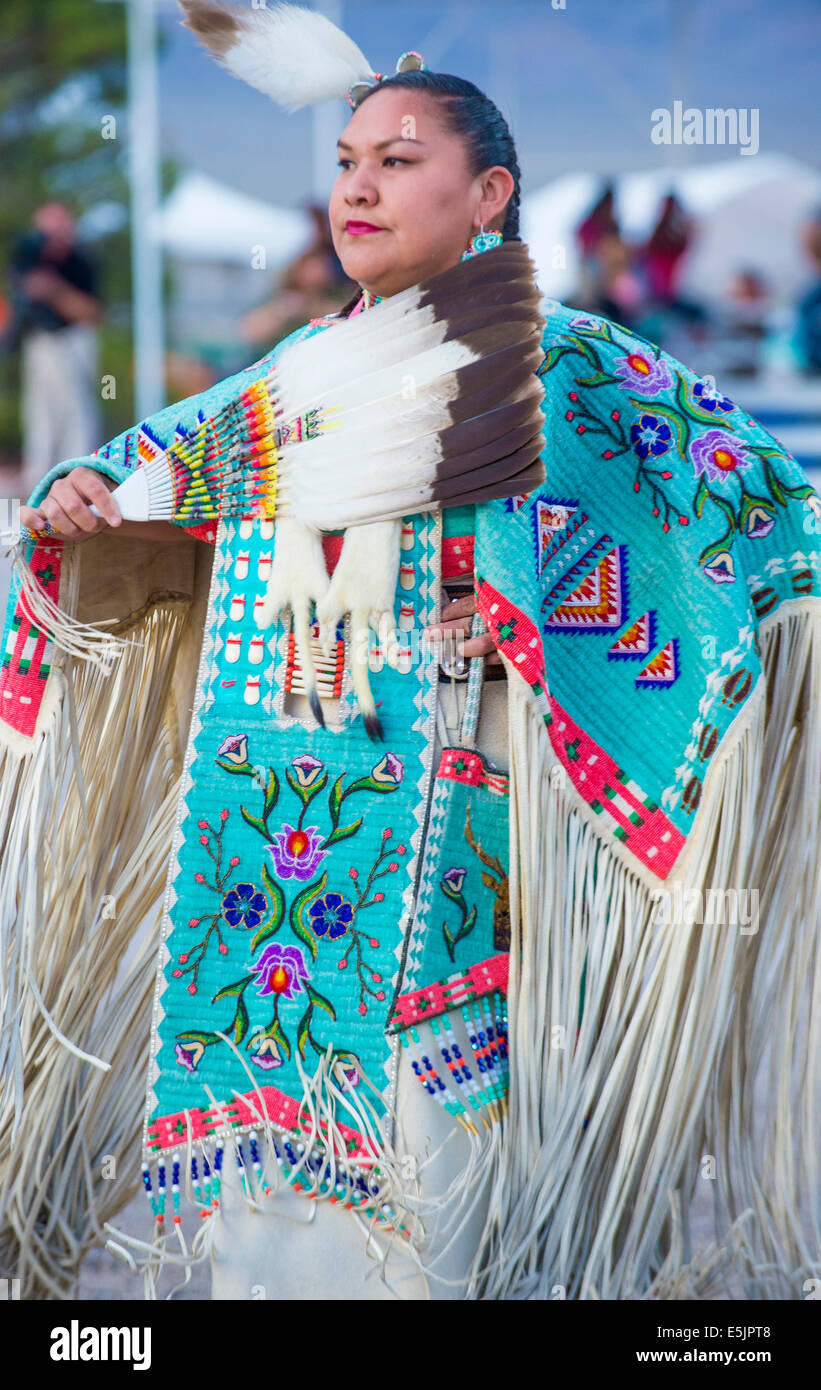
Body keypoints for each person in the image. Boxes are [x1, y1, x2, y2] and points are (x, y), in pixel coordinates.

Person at [2, 1, 820, 1303]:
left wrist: (515, 633)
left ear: (488, 189)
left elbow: (762, 519)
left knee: (423, 1198)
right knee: (269, 1214)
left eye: (396, 159)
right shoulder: (300, 374)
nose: (358, 186)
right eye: (343, 162)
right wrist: (83, 504)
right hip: (275, 839)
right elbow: (133, 474)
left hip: (450, 824)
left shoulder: (572, 371)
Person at [5, 202, 103, 501]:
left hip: (72, 341)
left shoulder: (80, 263)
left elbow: (92, 312)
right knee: (40, 415)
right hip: (41, 343)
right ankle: (39, 481)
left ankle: (77, 477)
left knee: (76, 415)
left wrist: (55, 291)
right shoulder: (29, 258)